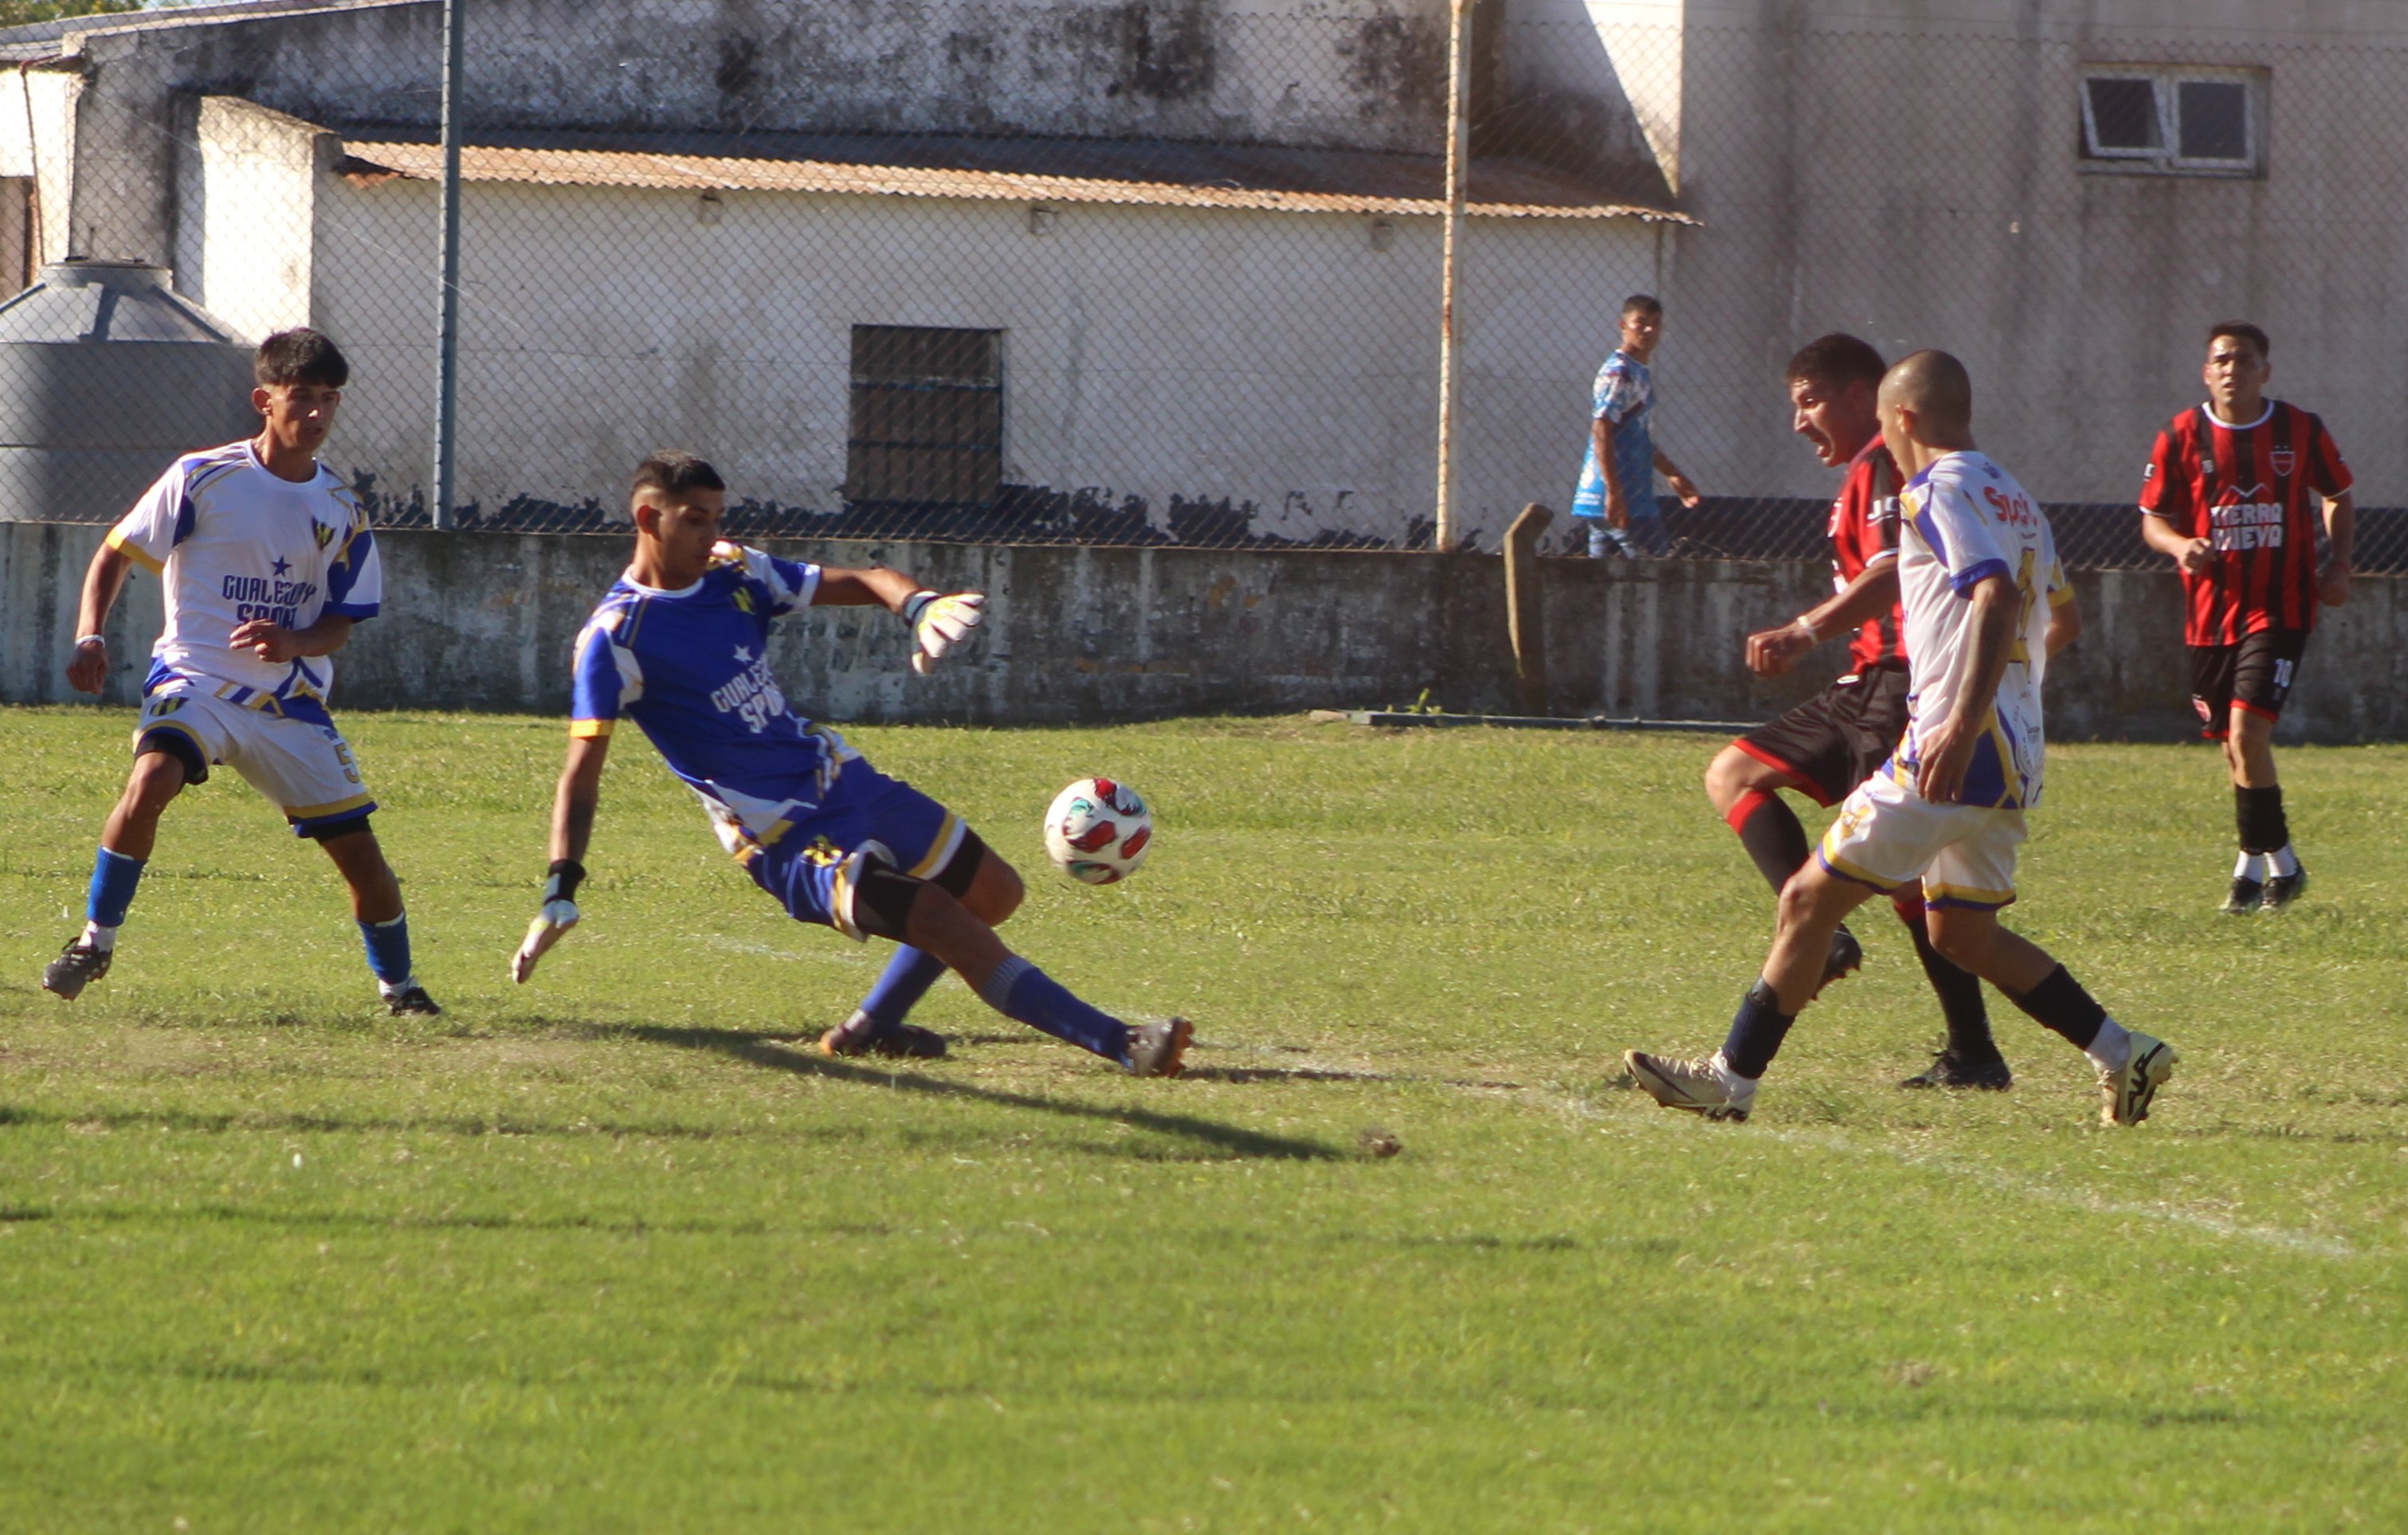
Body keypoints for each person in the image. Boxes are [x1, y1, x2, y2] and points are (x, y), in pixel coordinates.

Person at [1626, 351, 2177, 1127]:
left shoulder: (1933, 490)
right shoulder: (2016, 497)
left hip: (1951, 748)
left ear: (1904, 418)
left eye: (1885, 425)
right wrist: (2009, 700)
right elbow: (2063, 620)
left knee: (1807, 898)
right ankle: (2124, 1052)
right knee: (1963, 933)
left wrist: (1961, 717)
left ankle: (1729, 1081)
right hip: (2014, 754)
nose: (1883, 441)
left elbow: (1992, 597)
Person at [510, 450, 1191, 1077]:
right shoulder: (615, 638)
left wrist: (917, 604)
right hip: (784, 835)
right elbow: (581, 774)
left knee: (993, 895)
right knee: (938, 916)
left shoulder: (735, 571)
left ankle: (871, 1026)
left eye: (717, 517)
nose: (710, 533)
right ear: (646, 518)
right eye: (694, 519)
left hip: (845, 780)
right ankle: (1123, 1042)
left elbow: (866, 579)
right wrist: (561, 884)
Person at [40, 328, 437, 1016]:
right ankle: (93, 943)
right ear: (264, 400)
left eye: (329, 399)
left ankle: (401, 992)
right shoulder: (203, 476)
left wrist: (294, 641)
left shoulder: (342, 508)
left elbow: (341, 623)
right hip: (194, 681)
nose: (316, 412)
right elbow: (117, 552)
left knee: (364, 861)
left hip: (287, 704)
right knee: (151, 778)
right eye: (301, 396)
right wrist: (90, 634)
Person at [1701, 335, 2008, 1091]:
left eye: (1810, 401)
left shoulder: (1882, 465)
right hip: (1868, 684)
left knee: (1903, 875)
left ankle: (1966, 1045)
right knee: (1739, 776)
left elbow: (1890, 575)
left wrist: (1803, 629)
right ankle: (1957, 1038)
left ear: (1861, 396)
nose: (1800, 422)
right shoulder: (1877, 468)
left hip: (1893, 685)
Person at [2138, 322, 2355, 914]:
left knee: (2246, 734)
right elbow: (2152, 518)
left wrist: (2340, 564)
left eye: (2245, 359)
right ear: (2207, 372)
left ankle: (2271, 869)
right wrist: (2179, 545)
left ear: (2266, 371)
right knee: (2233, 750)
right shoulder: (2180, 434)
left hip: (2281, 608)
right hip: (2210, 617)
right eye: (2222, 359)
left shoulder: (2299, 430)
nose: (2232, 368)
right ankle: (2263, 867)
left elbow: (2338, 493)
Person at [1568, 294, 1703, 558]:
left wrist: (1672, 474)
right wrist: (1614, 491)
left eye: (1655, 323)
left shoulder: (1639, 372)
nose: (1649, 330)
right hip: (1623, 499)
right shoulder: (1620, 372)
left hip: (1624, 496)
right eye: (1641, 323)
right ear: (1624, 326)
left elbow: (1636, 436)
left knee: (1601, 576)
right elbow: (1602, 429)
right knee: (1653, 571)